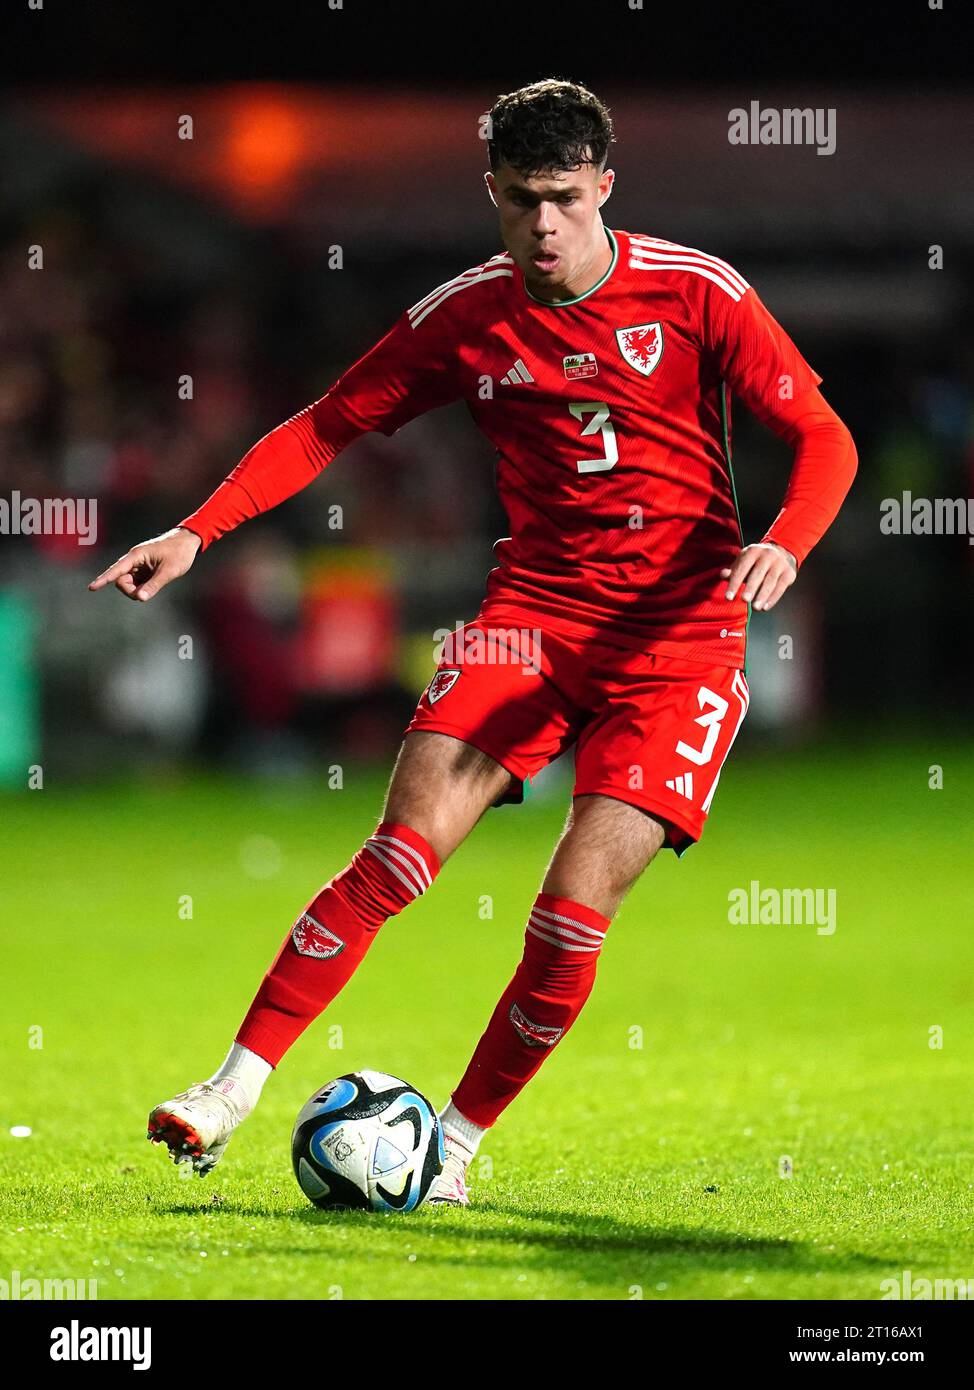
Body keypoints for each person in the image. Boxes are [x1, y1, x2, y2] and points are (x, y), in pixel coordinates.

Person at [90, 78, 857, 1206]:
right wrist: (198, 531)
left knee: (567, 914)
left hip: (680, 641)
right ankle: (228, 1089)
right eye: (515, 201)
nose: (539, 226)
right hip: (530, 623)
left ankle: (448, 1145)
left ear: (603, 185)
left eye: (558, 198)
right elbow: (323, 426)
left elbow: (820, 432)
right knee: (396, 853)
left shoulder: (699, 295)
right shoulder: (465, 316)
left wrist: (785, 543)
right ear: (489, 192)